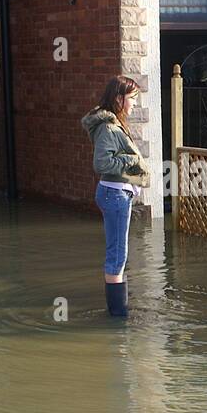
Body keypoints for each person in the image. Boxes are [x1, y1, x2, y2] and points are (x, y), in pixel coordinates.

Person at [81, 76, 150, 317]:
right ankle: (118, 315)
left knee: (118, 252)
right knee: (117, 255)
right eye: (132, 99)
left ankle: (119, 311)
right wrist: (131, 160)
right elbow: (101, 162)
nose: (134, 104)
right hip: (115, 194)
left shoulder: (114, 124)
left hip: (116, 193)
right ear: (119, 99)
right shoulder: (109, 128)